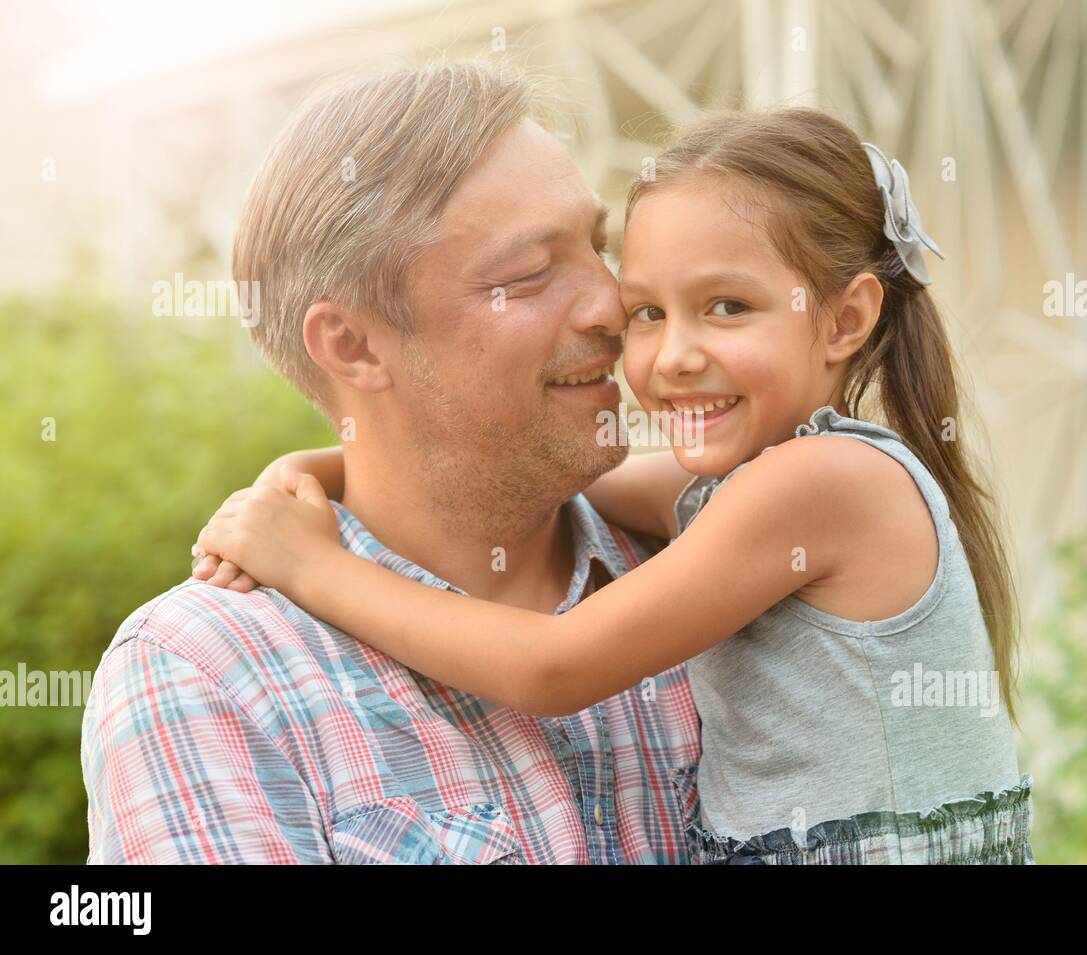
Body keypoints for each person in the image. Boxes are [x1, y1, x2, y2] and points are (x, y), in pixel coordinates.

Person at [194, 107, 1035, 865]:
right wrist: (303, 475)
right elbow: (559, 490)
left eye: (728, 307)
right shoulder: (749, 486)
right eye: (648, 312)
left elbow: (556, 666)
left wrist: (313, 567)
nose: (670, 356)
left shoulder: (824, 483)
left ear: (847, 319)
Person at [80, 61, 701, 864]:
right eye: (530, 274)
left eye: (598, 245)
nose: (613, 304)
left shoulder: (718, 558)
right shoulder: (208, 676)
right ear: (351, 345)